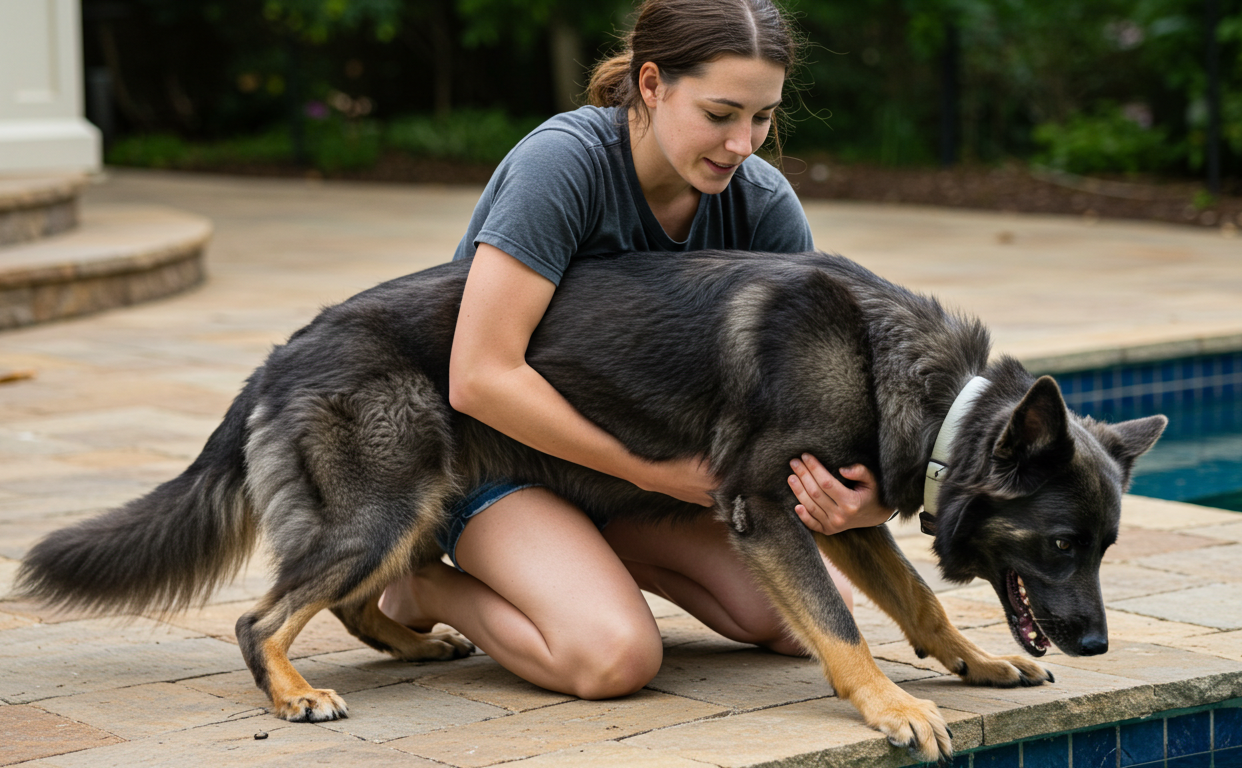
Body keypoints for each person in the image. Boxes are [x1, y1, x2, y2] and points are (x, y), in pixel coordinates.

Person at [380, 0, 893, 700]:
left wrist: (862, 504)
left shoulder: (761, 204)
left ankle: (589, 558)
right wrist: (653, 474)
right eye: (719, 115)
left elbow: (796, 415)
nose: (743, 144)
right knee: (611, 658)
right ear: (652, 84)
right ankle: (423, 586)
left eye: (762, 117)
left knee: (796, 614)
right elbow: (477, 378)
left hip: (635, 485)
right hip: (497, 456)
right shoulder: (562, 166)